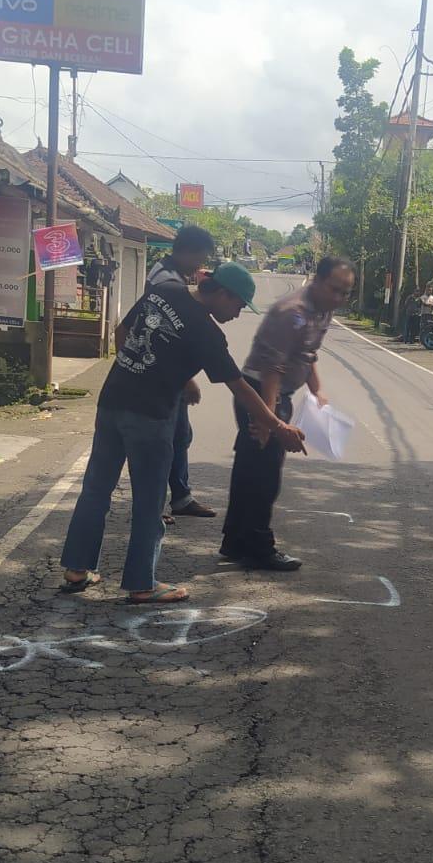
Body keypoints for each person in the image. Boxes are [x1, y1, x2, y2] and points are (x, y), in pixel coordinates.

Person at [64, 262, 305, 603]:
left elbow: (122, 332)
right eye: (238, 305)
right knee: (149, 502)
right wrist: (279, 426)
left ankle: (77, 568)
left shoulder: (165, 290)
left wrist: (148, 373)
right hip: (150, 416)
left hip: (112, 401)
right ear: (222, 293)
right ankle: (141, 584)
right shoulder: (205, 332)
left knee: (96, 489)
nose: (237, 314)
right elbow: (240, 387)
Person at [221, 257, 356, 572]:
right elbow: (272, 369)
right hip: (262, 393)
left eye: (346, 293)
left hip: (278, 392)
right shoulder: (291, 313)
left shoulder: (322, 310)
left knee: (248, 468)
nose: (339, 298)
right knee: (265, 475)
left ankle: (235, 541)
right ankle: (258, 546)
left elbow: (307, 353)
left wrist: (316, 391)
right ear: (318, 280)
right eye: (335, 289)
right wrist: (271, 421)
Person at [132, 225, 219, 522]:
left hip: (164, 375)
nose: (200, 266)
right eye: (200, 257)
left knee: (179, 435)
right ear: (187, 252)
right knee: (163, 442)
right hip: (159, 377)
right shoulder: (165, 282)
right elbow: (165, 338)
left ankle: (180, 497)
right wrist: (188, 380)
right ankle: (155, 505)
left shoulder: (171, 275)